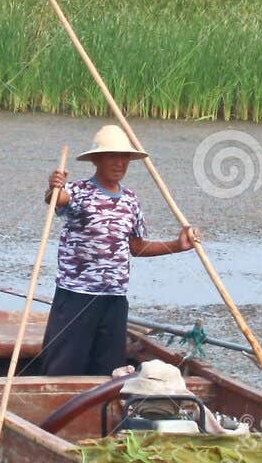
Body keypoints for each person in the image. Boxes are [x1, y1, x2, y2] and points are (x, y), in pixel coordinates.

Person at [38, 124, 199, 375]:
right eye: (112, 157)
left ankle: (103, 409)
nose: (119, 163)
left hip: (114, 298)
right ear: (97, 160)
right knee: (64, 366)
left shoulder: (130, 200)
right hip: (77, 295)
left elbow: (136, 246)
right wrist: (54, 187)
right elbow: (56, 199)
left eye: (124, 158)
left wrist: (178, 246)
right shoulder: (80, 191)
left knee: (110, 369)